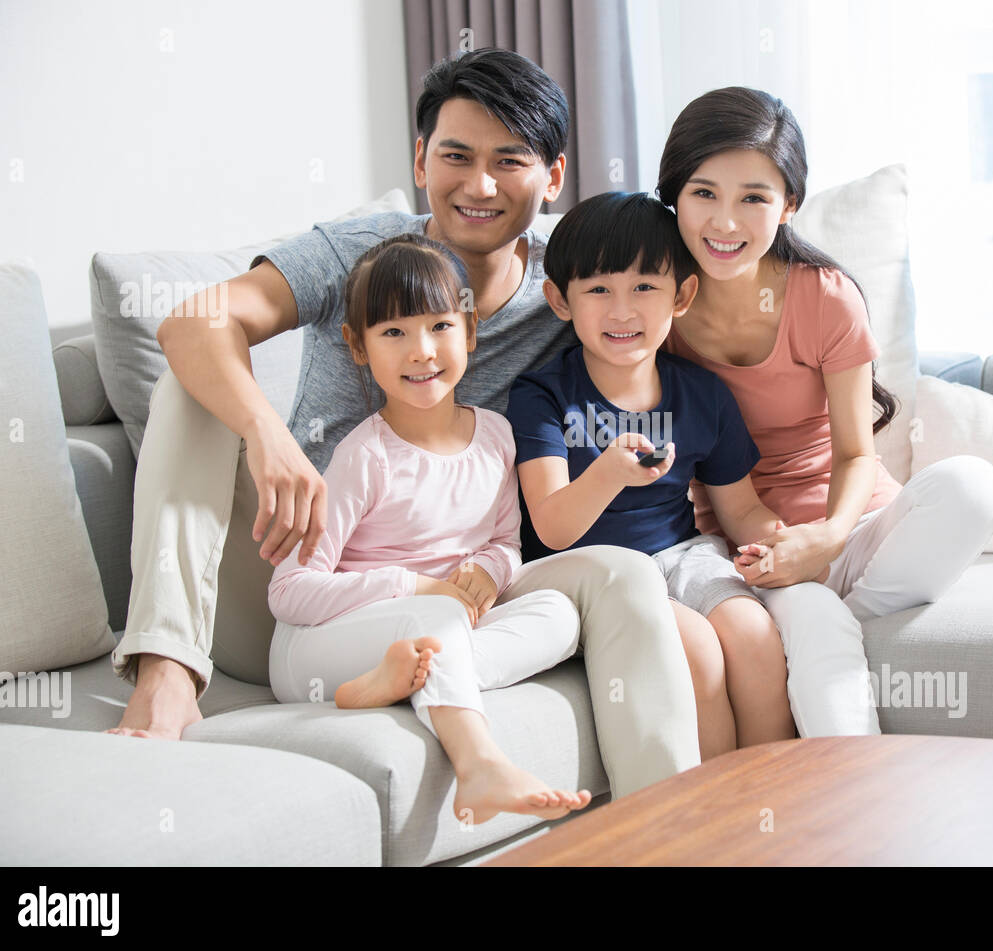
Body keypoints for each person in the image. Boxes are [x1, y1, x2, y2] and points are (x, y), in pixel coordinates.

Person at [106, 47, 700, 802]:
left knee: (622, 576)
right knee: (187, 390)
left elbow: (692, 325)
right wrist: (267, 432)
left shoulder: (576, 283)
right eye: (456, 155)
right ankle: (167, 674)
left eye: (508, 161)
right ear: (421, 159)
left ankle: (668, 821)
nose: (478, 185)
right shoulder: (362, 254)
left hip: (462, 588)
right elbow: (197, 322)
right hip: (297, 569)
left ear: (552, 179)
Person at [655, 87, 993, 737]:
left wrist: (830, 535)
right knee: (813, 615)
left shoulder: (825, 298)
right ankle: (846, 770)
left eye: (754, 198)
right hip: (754, 553)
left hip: (854, 531)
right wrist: (783, 555)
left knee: (973, 488)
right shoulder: (653, 304)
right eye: (704, 193)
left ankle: (834, 601)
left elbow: (855, 453)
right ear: (673, 195)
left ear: (789, 205)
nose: (725, 223)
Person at [265, 234, 589, 824]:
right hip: (312, 650)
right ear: (357, 346)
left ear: (469, 332)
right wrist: (416, 588)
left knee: (560, 616)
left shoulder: (495, 435)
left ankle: (399, 680)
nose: (421, 351)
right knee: (436, 621)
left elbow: (504, 542)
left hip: (424, 633)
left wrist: (489, 575)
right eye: (393, 332)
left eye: (439, 326)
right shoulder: (365, 456)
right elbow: (288, 592)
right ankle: (482, 767)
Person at [507, 192, 796, 761]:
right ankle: (709, 822)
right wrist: (611, 471)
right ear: (560, 301)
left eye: (644, 287)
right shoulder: (542, 397)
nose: (622, 311)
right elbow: (552, 527)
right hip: (591, 573)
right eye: (598, 290)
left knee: (755, 635)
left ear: (682, 295)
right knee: (695, 650)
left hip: (680, 554)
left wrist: (778, 540)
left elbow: (738, 509)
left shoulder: (702, 394)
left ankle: (769, 812)